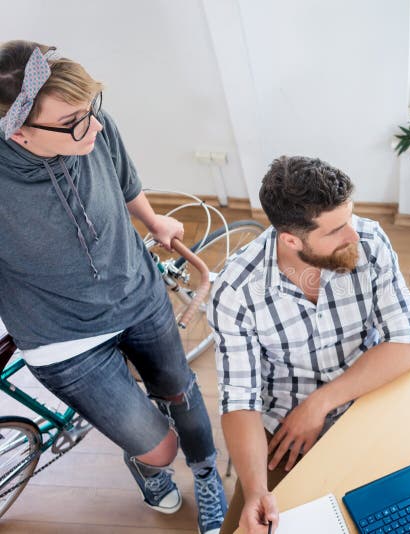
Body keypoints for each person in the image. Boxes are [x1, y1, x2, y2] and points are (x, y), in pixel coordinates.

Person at [0, 41, 226, 533]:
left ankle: (207, 473)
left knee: (180, 391)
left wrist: (152, 218)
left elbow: (123, 179)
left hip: (138, 294)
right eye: (74, 122)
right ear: (17, 132)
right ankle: (148, 464)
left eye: (91, 110)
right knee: (159, 446)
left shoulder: (90, 126)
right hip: (65, 338)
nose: (95, 127)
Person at [210, 156, 410, 533]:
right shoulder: (235, 290)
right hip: (283, 428)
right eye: (336, 230)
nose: (354, 235)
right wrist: (257, 489)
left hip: (367, 395)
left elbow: (405, 344)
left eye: (350, 218)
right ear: (291, 240)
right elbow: (240, 399)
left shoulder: (370, 243)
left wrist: (321, 403)